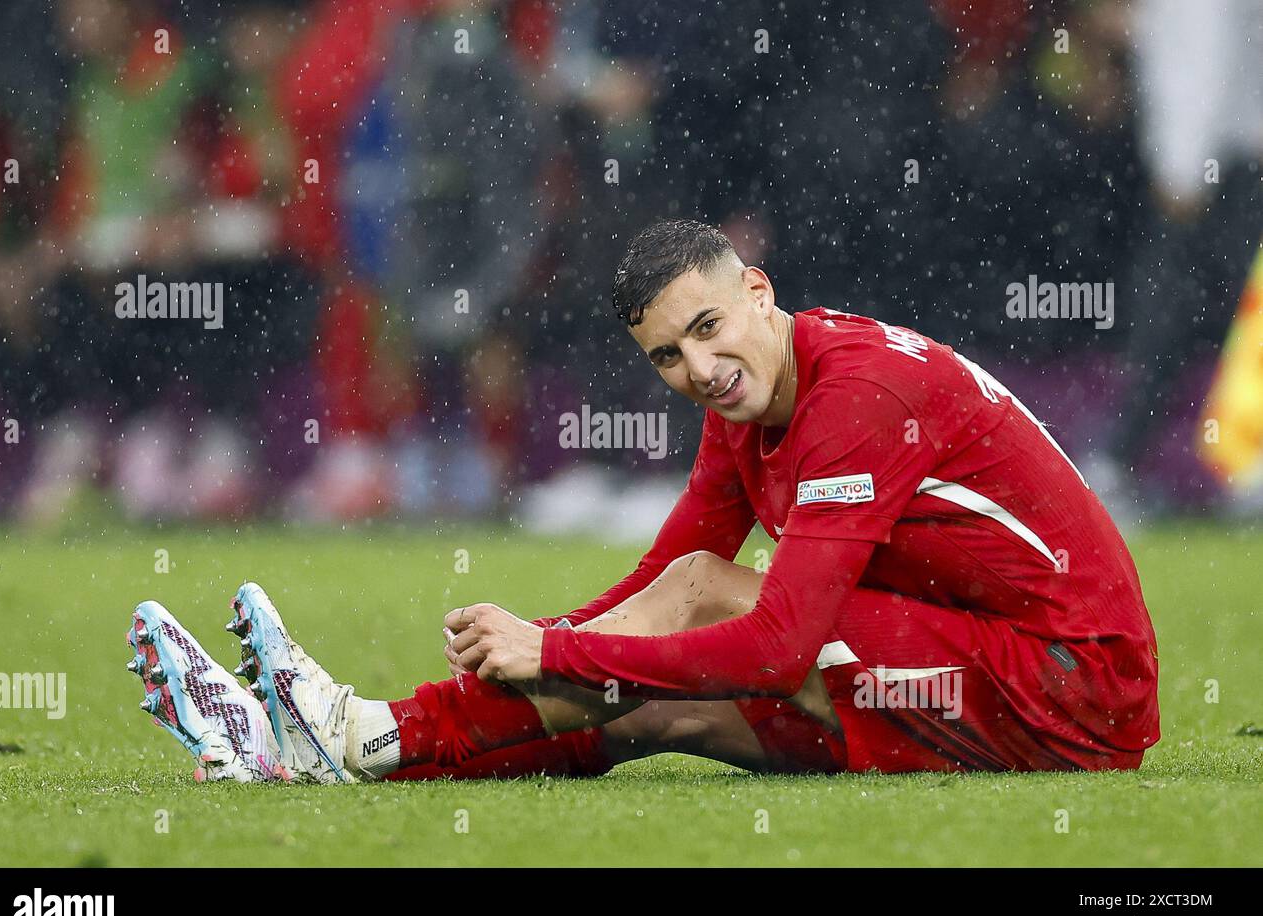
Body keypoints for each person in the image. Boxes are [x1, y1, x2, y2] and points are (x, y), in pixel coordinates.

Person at [124, 219, 1160, 783]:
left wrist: (554, 647)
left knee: (708, 613)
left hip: (1071, 684)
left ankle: (357, 729)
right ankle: (332, 752)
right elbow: (660, 584)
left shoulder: (856, 398)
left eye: (710, 326)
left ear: (758, 289)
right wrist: (544, 638)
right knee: (664, 707)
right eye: (667, 354)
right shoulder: (749, 395)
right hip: (972, 664)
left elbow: (768, 643)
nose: (700, 366)